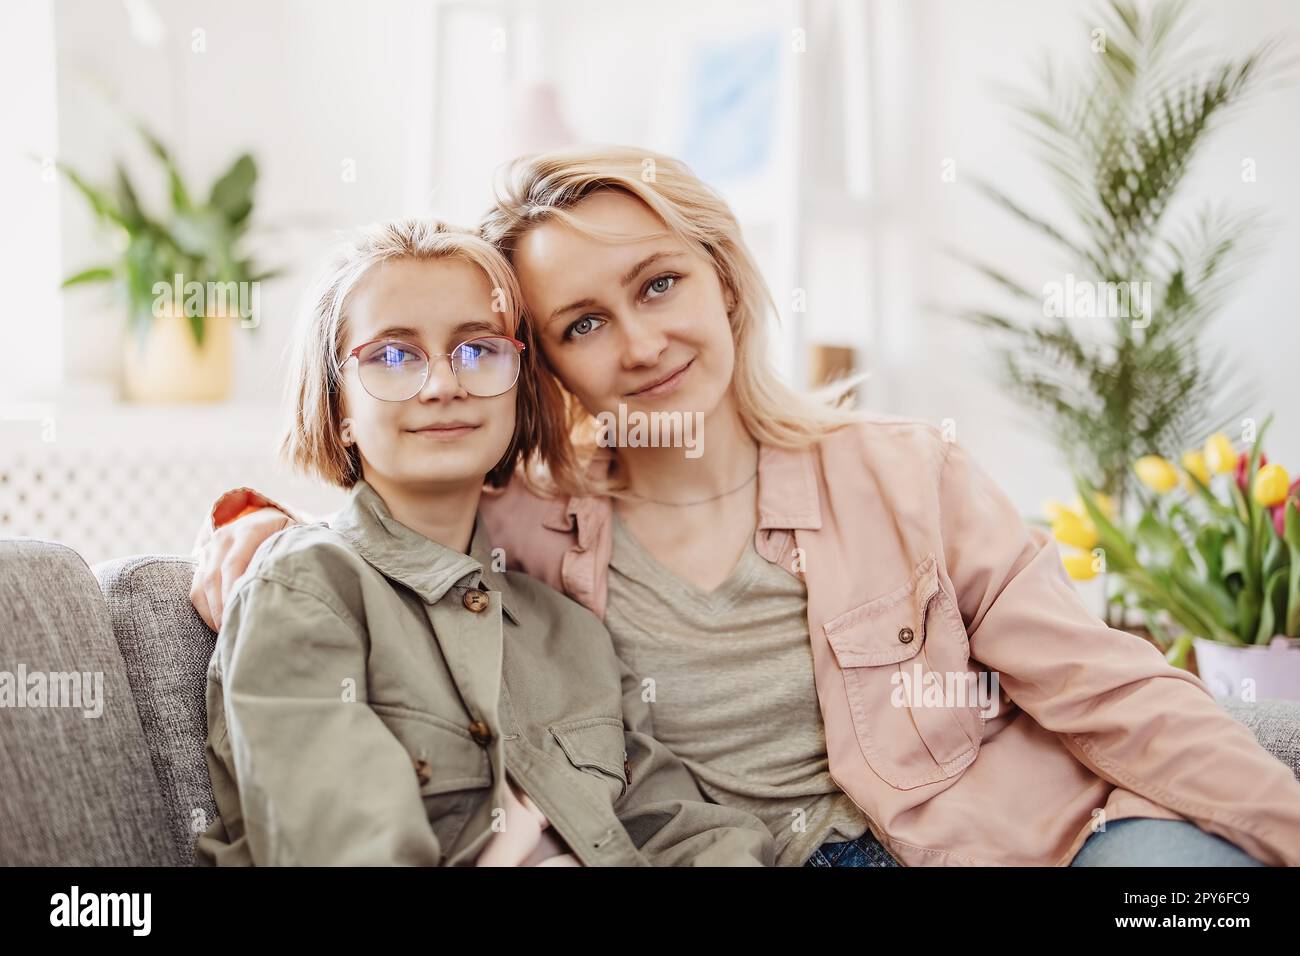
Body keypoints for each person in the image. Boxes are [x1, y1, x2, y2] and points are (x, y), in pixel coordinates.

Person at [193, 147, 1300, 867]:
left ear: (720, 279)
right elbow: (394, 517)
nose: (638, 342)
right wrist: (263, 530)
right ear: (549, 372)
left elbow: (1107, 685)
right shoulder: (530, 537)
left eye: (658, 283)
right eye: (580, 323)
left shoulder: (905, 471)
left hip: (1032, 842)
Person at [194, 217, 774, 867]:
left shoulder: (568, 628)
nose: (444, 385)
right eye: (392, 355)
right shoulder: (307, 592)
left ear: (518, 391)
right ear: (339, 409)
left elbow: (689, 829)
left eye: (477, 350)